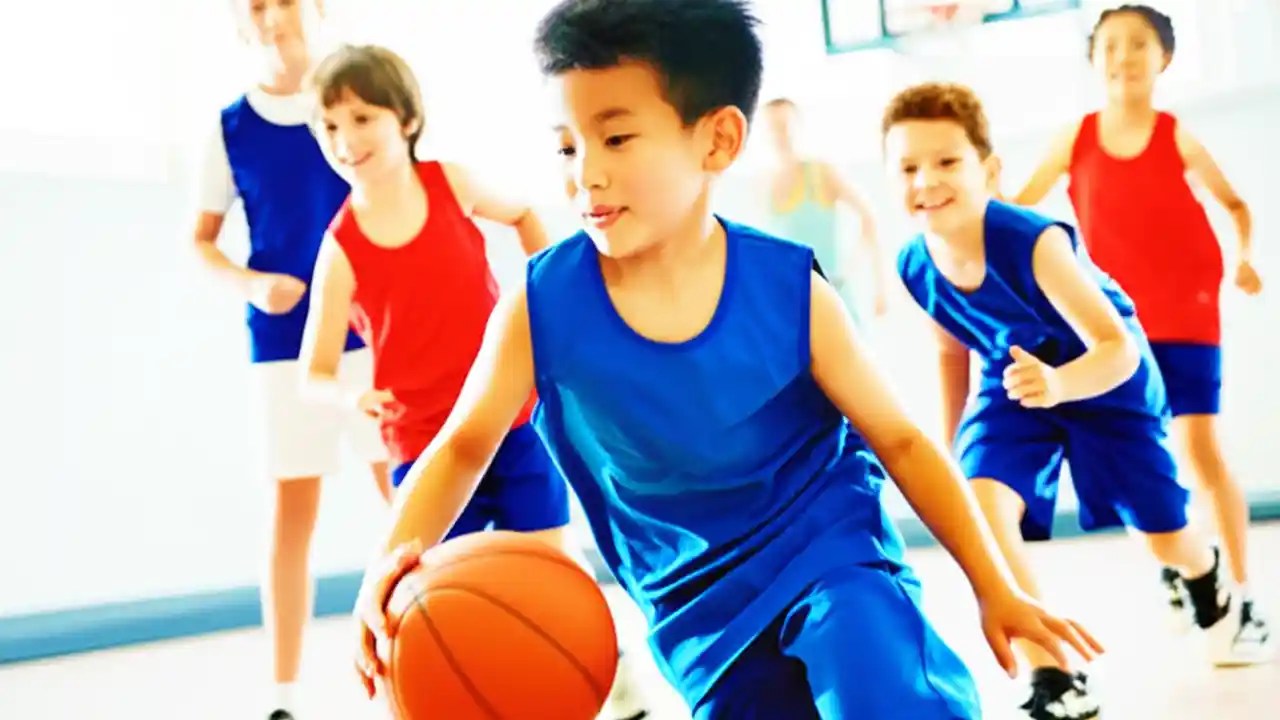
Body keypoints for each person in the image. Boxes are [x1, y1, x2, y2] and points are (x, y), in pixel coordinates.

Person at [353, 2, 1101, 718]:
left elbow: (901, 440)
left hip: (828, 550)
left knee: (875, 673)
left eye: (615, 139)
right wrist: (386, 568)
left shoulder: (790, 291)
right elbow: (460, 447)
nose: (586, 173)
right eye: (566, 146)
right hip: (697, 612)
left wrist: (993, 585)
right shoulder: (541, 303)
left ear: (716, 141)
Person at [886, 80, 1260, 720]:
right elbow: (953, 351)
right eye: (909, 166)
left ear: (989, 170)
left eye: (947, 161)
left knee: (1162, 535)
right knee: (983, 508)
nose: (928, 180)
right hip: (1014, 382)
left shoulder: (1034, 242)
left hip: (1104, 383)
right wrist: (955, 451)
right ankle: (1054, 675)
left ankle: (1207, 578)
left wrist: (1061, 385)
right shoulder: (914, 263)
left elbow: (1118, 348)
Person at [298, 43, 650, 720]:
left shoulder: (451, 184)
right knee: (431, 604)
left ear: (404, 118)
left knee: (556, 570)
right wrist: (352, 395)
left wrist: (550, 297)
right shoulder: (341, 247)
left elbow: (521, 215)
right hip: (423, 451)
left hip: (512, 423)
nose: (345, 141)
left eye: (361, 119)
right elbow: (313, 373)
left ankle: (614, 689)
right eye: (329, 128)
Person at [1012, 3, 1270, 662]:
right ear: (1093, 60)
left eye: (1138, 44)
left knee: (1199, 445)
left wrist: (1243, 255)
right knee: (1134, 456)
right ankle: (1180, 565)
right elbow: (1016, 208)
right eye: (1110, 46)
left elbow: (1235, 204)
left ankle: (1238, 593)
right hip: (1113, 326)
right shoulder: (1076, 137)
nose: (1123, 56)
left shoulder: (1175, 135)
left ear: (1166, 59)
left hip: (1187, 308)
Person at [188, 3, 387, 718]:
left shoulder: (355, 102)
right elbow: (201, 242)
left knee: (412, 494)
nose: (274, 15)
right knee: (291, 511)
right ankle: (283, 697)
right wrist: (252, 284)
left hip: (375, 335)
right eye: (257, 5)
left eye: (286, 0)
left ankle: (440, 650)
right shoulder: (230, 128)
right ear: (243, 24)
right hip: (283, 346)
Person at [759, 97, 888, 327]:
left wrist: (875, 284)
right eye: (774, 128)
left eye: (786, 126)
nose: (781, 134)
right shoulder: (765, 184)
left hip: (833, 296)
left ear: (798, 127)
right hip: (791, 304)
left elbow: (868, 216)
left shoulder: (820, 172)